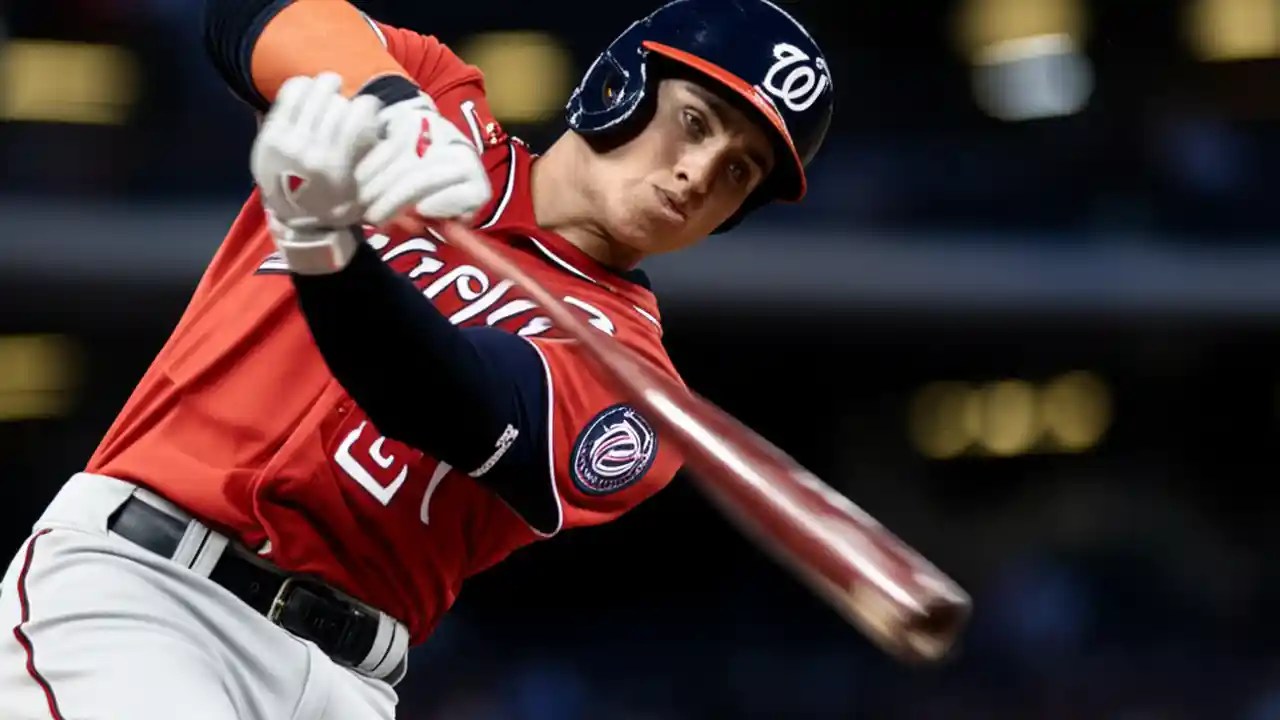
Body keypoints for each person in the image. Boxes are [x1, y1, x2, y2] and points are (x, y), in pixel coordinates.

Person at [0, 0, 834, 718]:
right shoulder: (439, 98)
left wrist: (323, 239)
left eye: (737, 172)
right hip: (149, 598)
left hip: (351, 685)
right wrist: (389, 103)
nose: (697, 173)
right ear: (619, 86)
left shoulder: (638, 384)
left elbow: (435, 394)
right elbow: (244, 14)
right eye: (693, 122)